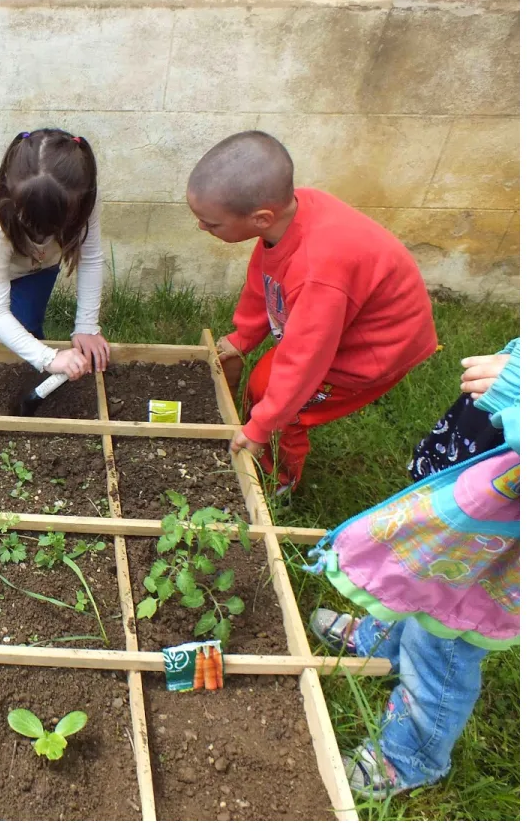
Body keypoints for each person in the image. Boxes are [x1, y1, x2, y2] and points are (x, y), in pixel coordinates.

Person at [306, 339, 519, 800]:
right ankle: (381, 643)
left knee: (446, 636)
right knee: (422, 577)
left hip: (500, 536)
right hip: (487, 476)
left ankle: (413, 755)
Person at [187, 131, 437, 492]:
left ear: (260, 218)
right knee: (265, 386)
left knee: (287, 408)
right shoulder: (290, 216)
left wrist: (264, 424)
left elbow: (306, 357)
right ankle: (263, 425)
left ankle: (278, 482)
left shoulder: (318, 273)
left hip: (374, 348)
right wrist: (243, 336)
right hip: (337, 323)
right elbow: (265, 278)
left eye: (211, 223)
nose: (201, 227)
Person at [0, 129, 109, 379]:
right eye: (37, 228)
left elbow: (91, 257)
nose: (43, 239)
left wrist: (86, 326)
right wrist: (48, 357)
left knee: (27, 323)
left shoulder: (82, 197)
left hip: (41, 266)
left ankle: (30, 369)